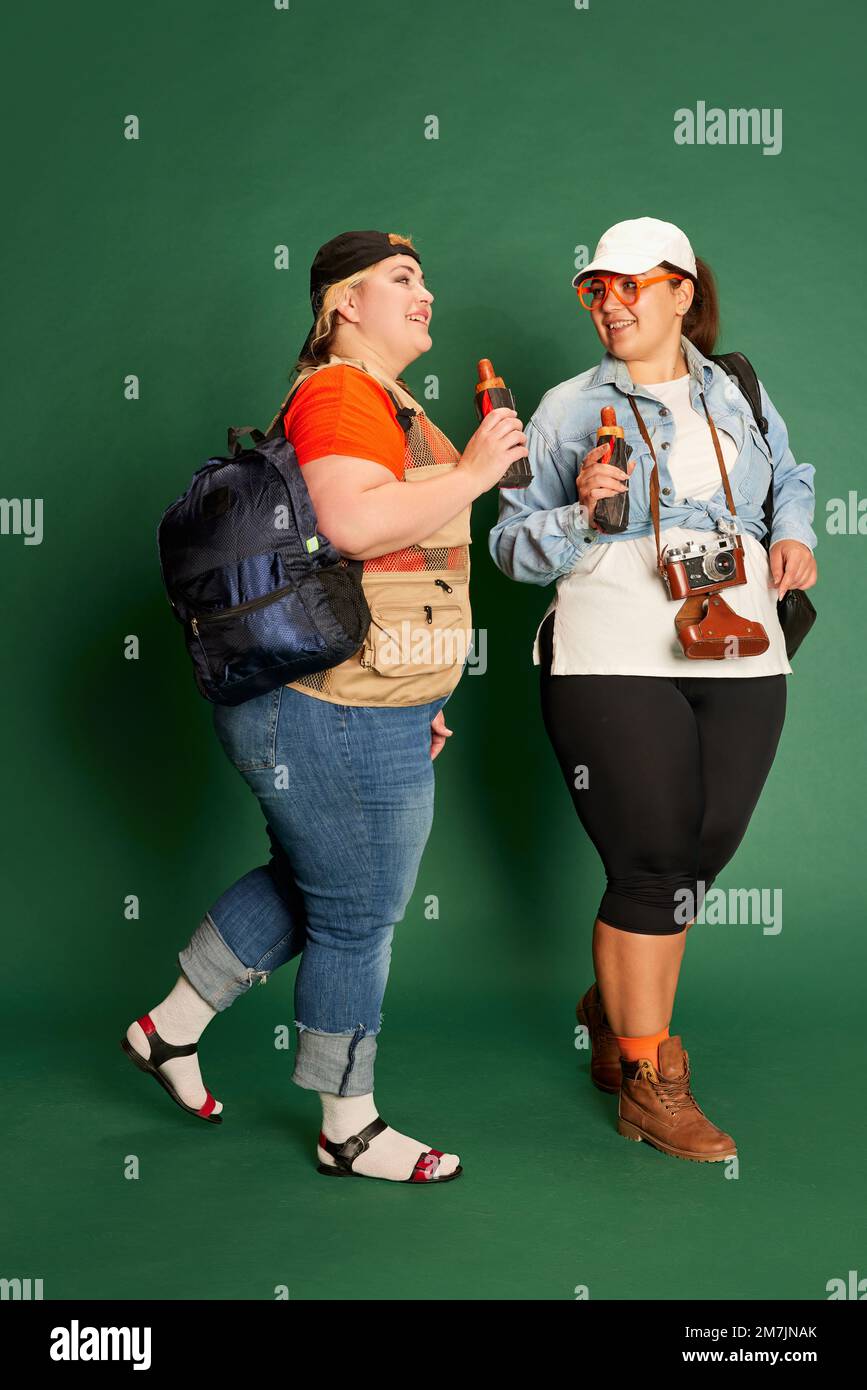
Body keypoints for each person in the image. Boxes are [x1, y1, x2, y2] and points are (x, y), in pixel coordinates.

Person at [122, 230, 527, 1183]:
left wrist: (417, 689)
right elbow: (348, 520)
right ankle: (349, 1128)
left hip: (357, 701)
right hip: (328, 707)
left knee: (313, 883)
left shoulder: (383, 399)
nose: (423, 293)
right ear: (344, 305)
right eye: (399, 280)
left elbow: (386, 567)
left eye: (424, 276)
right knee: (358, 916)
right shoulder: (341, 391)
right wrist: (472, 473)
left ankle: (166, 1031)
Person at [488, 217, 817, 1163]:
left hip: (738, 640)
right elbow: (508, 549)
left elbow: (787, 475)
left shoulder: (739, 389)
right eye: (596, 288)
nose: (611, 303)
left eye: (632, 285)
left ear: (681, 291)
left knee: (702, 849)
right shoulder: (560, 410)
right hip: (611, 646)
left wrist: (792, 532)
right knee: (651, 864)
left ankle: (610, 997)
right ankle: (647, 1076)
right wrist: (578, 512)